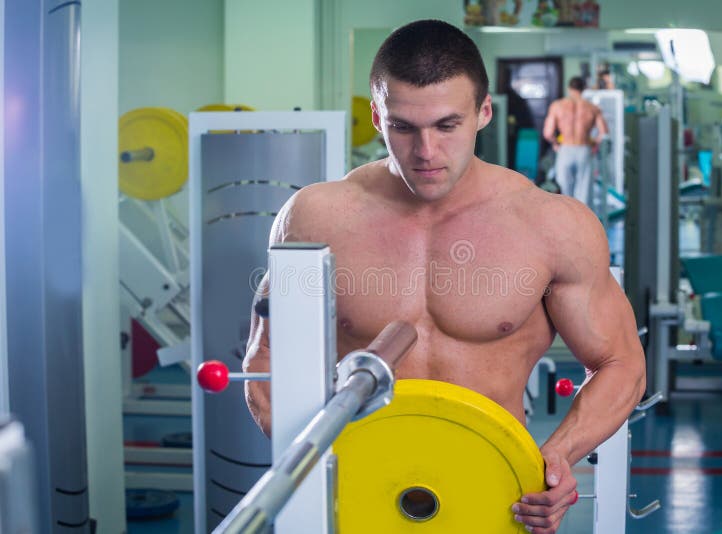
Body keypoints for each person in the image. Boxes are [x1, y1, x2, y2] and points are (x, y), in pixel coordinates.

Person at [244, 19, 645, 534]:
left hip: (496, 493)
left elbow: (620, 362)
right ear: (376, 116)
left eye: (446, 126)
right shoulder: (317, 218)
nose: (426, 152)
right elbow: (266, 356)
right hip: (356, 490)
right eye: (403, 127)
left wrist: (553, 460)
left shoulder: (551, 224)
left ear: (483, 112)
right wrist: (311, 466)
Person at [543, 76, 608, 206]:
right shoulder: (592, 108)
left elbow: (548, 133)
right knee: (583, 193)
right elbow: (604, 132)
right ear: (583, 88)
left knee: (564, 193)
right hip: (584, 149)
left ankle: (566, 223)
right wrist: (594, 143)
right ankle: (581, 224)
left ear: (569, 88)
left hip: (565, 149)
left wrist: (556, 144)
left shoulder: (557, 106)